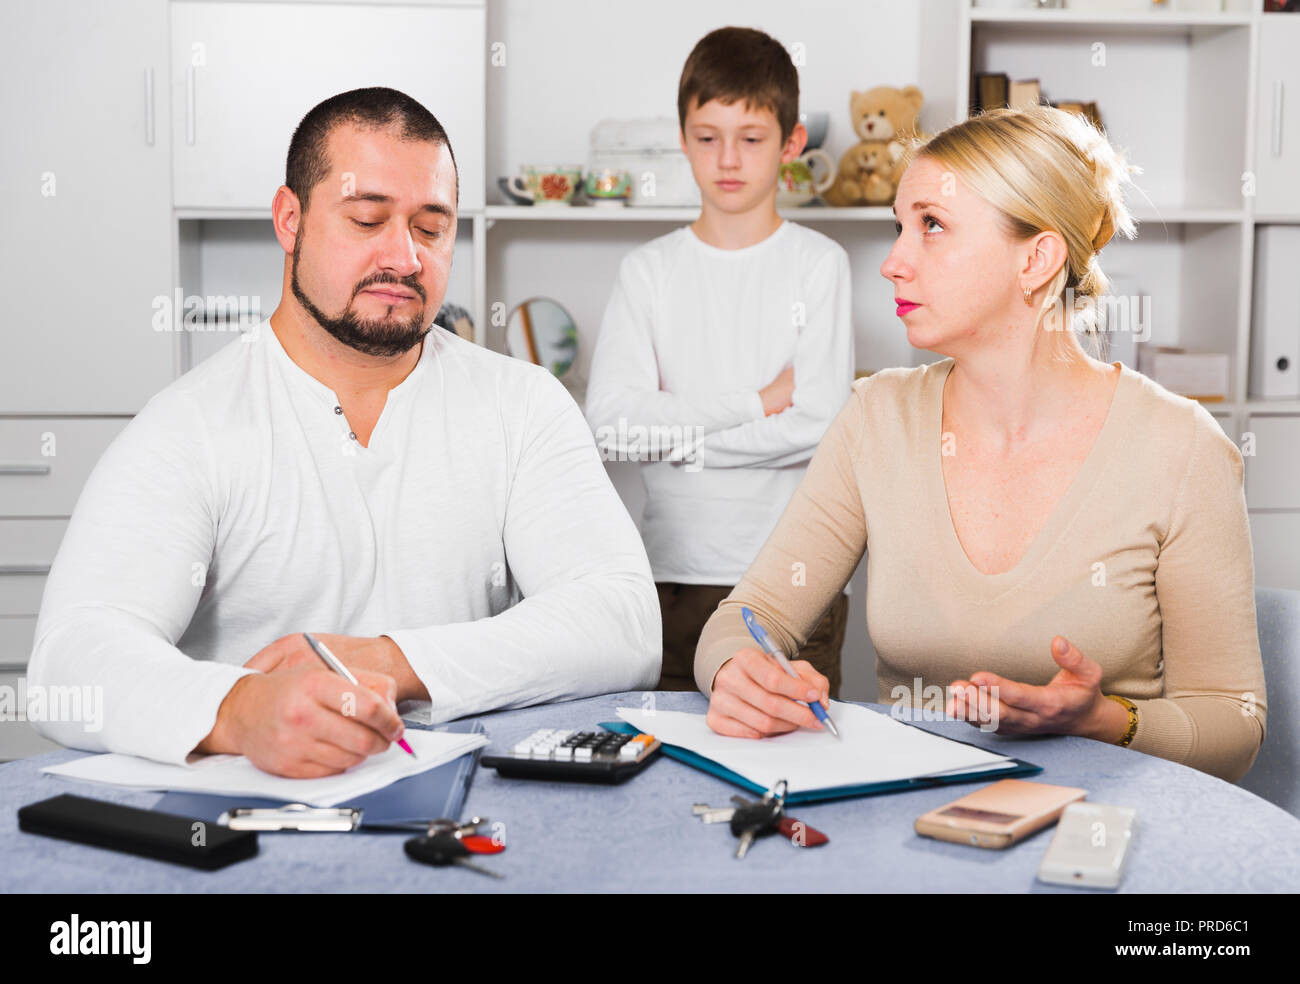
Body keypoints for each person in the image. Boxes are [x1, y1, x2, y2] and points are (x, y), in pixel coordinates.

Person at [28, 87, 660, 776]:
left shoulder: (523, 404)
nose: (405, 258)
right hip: (254, 826)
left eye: (430, 227)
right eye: (366, 219)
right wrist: (240, 710)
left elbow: (622, 621)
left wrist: (392, 660)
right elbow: (72, 659)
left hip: (465, 814)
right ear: (290, 220)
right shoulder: (191, 427)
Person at [695, 105, 1267, 784]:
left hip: (1105, 835)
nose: (892, 264)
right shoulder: (878, 417)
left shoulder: (1182, 449)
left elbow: (1233, 721)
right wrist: (738, 670)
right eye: (900, 226)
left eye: (931, 226)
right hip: (907, 825)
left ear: (1037, 258)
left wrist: (1103, 719)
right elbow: (746, 617)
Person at [584, 26, 855, 696]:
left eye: (752, 138)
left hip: (792, 581)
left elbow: (820, 427)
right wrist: (756, 403)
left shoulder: (819, 265)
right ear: (682, 139)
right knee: (664, 778)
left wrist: (676, 440)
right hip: (669, 578)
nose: (727, 159)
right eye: (707, 137)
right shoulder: (647, 272)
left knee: (797, 771)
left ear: (792, 144)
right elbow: (614, 429)